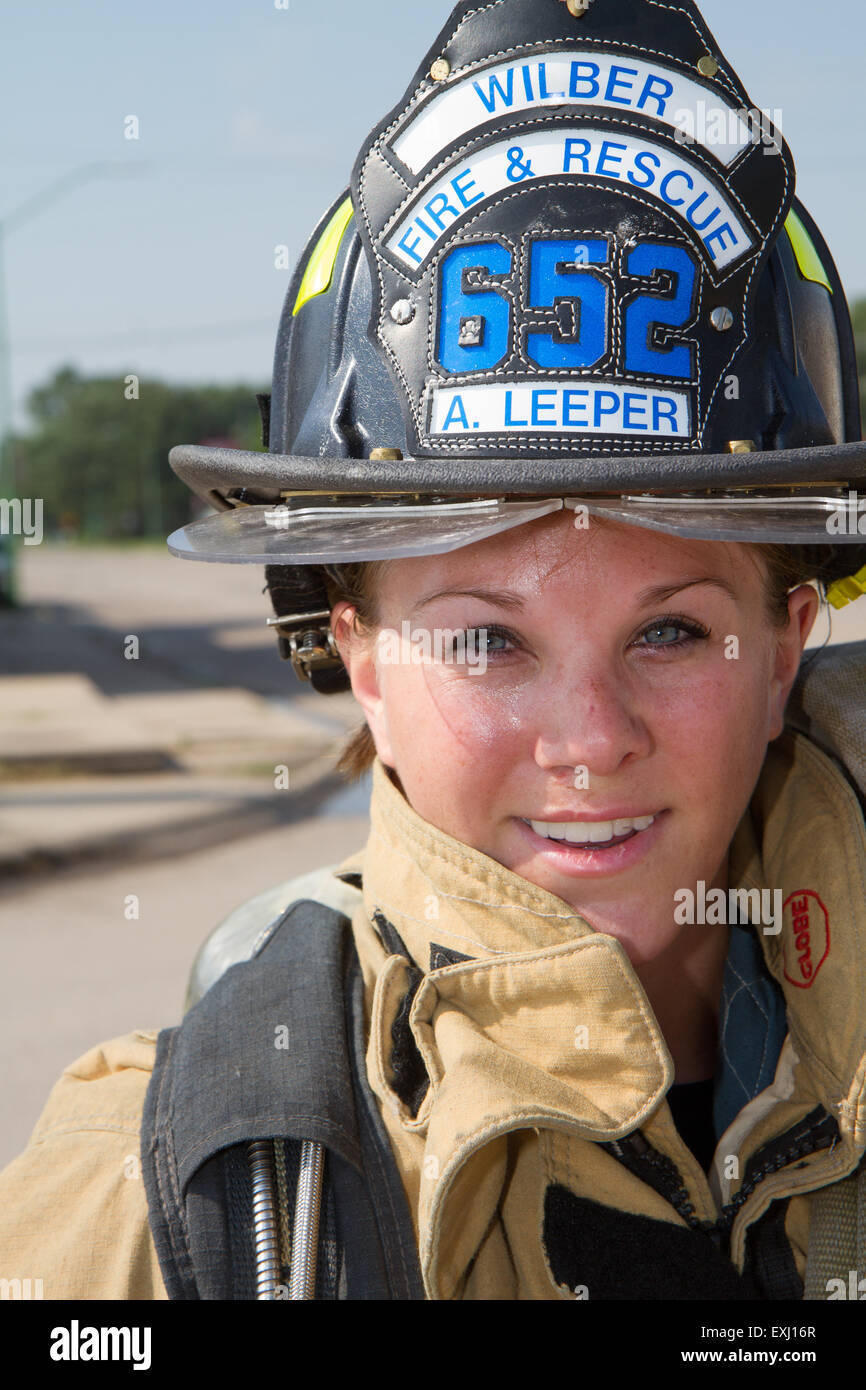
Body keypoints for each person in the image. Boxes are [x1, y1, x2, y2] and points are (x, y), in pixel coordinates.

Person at [2, 0, 866, 1302]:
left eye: (672, 628)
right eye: (483, 637)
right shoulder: (173, 1208)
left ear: (786, 643)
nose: (589, 736)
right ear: (357, 655)